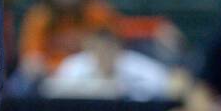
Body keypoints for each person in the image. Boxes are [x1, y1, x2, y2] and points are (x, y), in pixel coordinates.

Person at [16, 0, 120, 84]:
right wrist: (60, 72)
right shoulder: (39, 16)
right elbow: (32, 60)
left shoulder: (98, 12)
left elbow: (112, 51)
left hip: (93, 75)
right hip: (50, 77)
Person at [43, 27, 186, 101]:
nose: (104, 53)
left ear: (118, 48)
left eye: (108, 48)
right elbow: (51, 89)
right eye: (98, 48)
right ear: (90, 49)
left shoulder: (134, 64)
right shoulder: (75, 65)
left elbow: (172, 83)